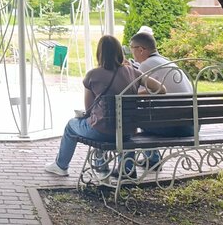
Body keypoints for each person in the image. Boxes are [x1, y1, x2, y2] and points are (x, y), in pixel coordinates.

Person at [44, 35, 140, 177]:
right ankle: (126, 168)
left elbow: (88, 109)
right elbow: (160, 88)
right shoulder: (133, 72)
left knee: (71, 125)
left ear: (99, 53)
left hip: (102, 132)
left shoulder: (93, 75)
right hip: (127, 132)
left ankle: (61, 165)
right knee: (121, 129)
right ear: (119, 52)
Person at [129, 29, 194, 170]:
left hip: (176, 127)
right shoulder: (166, 62)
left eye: (131, 49)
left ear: (140, 50)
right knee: (147, 116)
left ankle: (133, 164)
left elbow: (135, 96)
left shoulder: (146, 65)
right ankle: (152, 158)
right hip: (192, 126)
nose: (131, 54)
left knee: (133, 118)